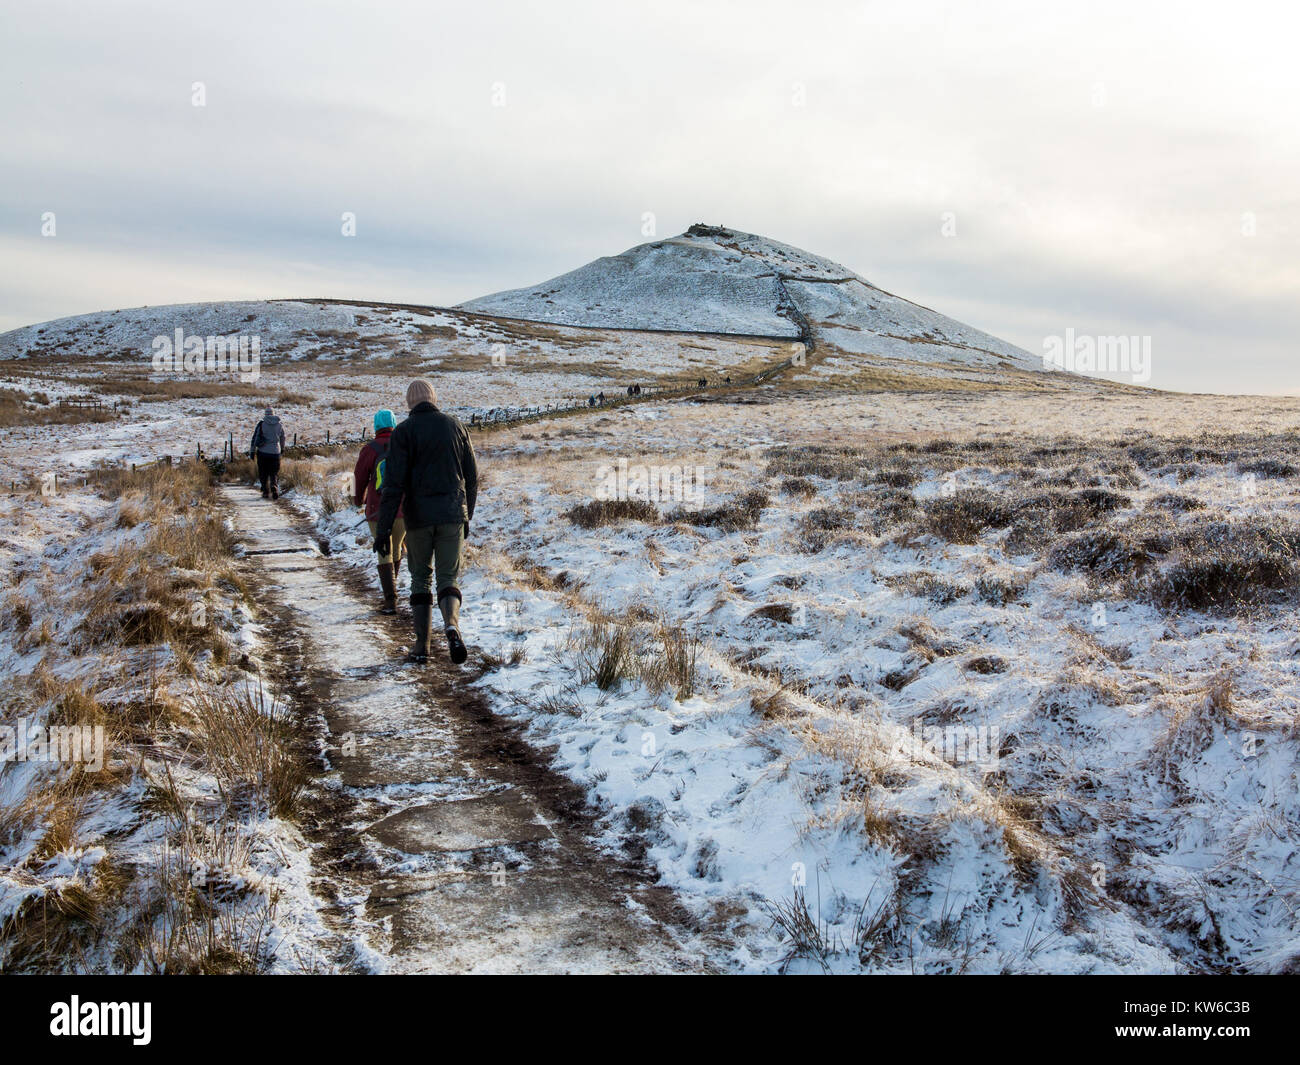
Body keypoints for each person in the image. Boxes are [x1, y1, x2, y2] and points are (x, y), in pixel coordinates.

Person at [374, 379, 477, 665]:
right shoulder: (456, 426)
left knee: (421, 578)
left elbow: (393, 486)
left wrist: (383, 530)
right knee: (448, 578)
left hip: (418, 519)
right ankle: (452, 625)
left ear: (410, 403)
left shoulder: (403, 432)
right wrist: (467, 513)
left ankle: (422, 646)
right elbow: (472, 476)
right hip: (452, 515)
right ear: (433, 398)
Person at [354, 409, 406, 615]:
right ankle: (392, 593)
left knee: (383, 549)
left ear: (376, 426)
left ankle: (390, 600)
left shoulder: (370, 450)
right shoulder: (404, 446)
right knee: (395, 549)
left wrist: (359, 500)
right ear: (394, 424)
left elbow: (359, 478)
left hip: (377, 509)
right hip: (403, 509)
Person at [249, 406, 286, 498]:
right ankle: (274, 487)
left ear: (265, 414)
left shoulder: (261, 424)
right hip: (275, 452)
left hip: (263, 452)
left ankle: (265, 491)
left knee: (263, 472)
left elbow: (256, 438)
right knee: (274, 472)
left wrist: (252, 451)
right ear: (273, 413)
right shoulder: (279, 425)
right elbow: (282, 438)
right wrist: (282, 449)